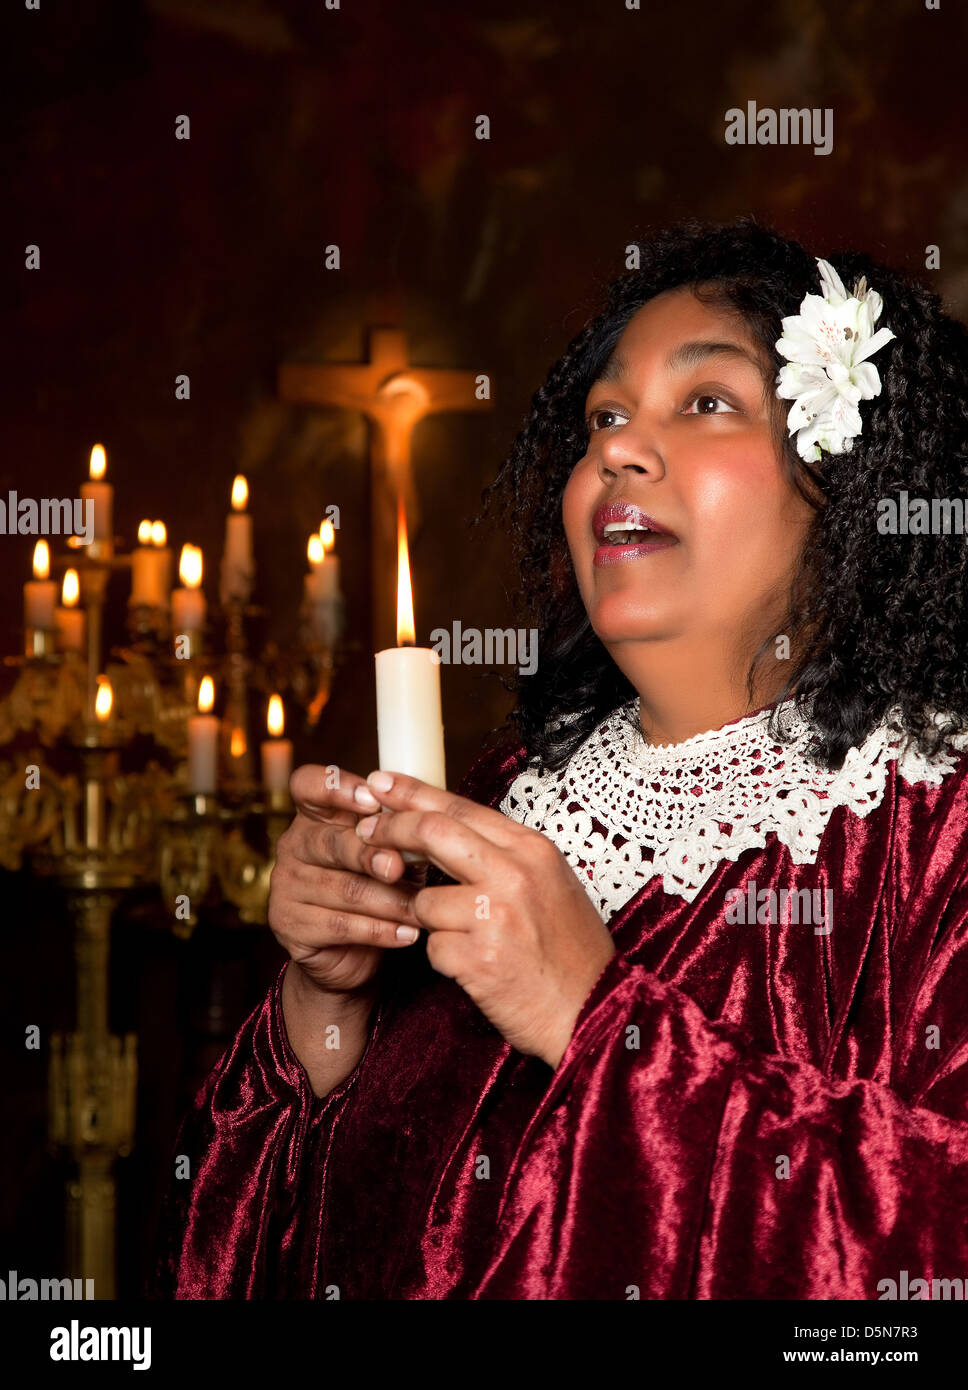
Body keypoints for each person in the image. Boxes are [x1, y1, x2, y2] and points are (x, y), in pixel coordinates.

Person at [152, 216, 968, 1300]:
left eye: (706, 401)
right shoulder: (493, 803)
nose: (616, 450)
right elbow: (239, 1251)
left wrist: (597, 1020)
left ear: (850, 477)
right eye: (603, 417)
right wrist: (325, 1002)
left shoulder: (934, 832)